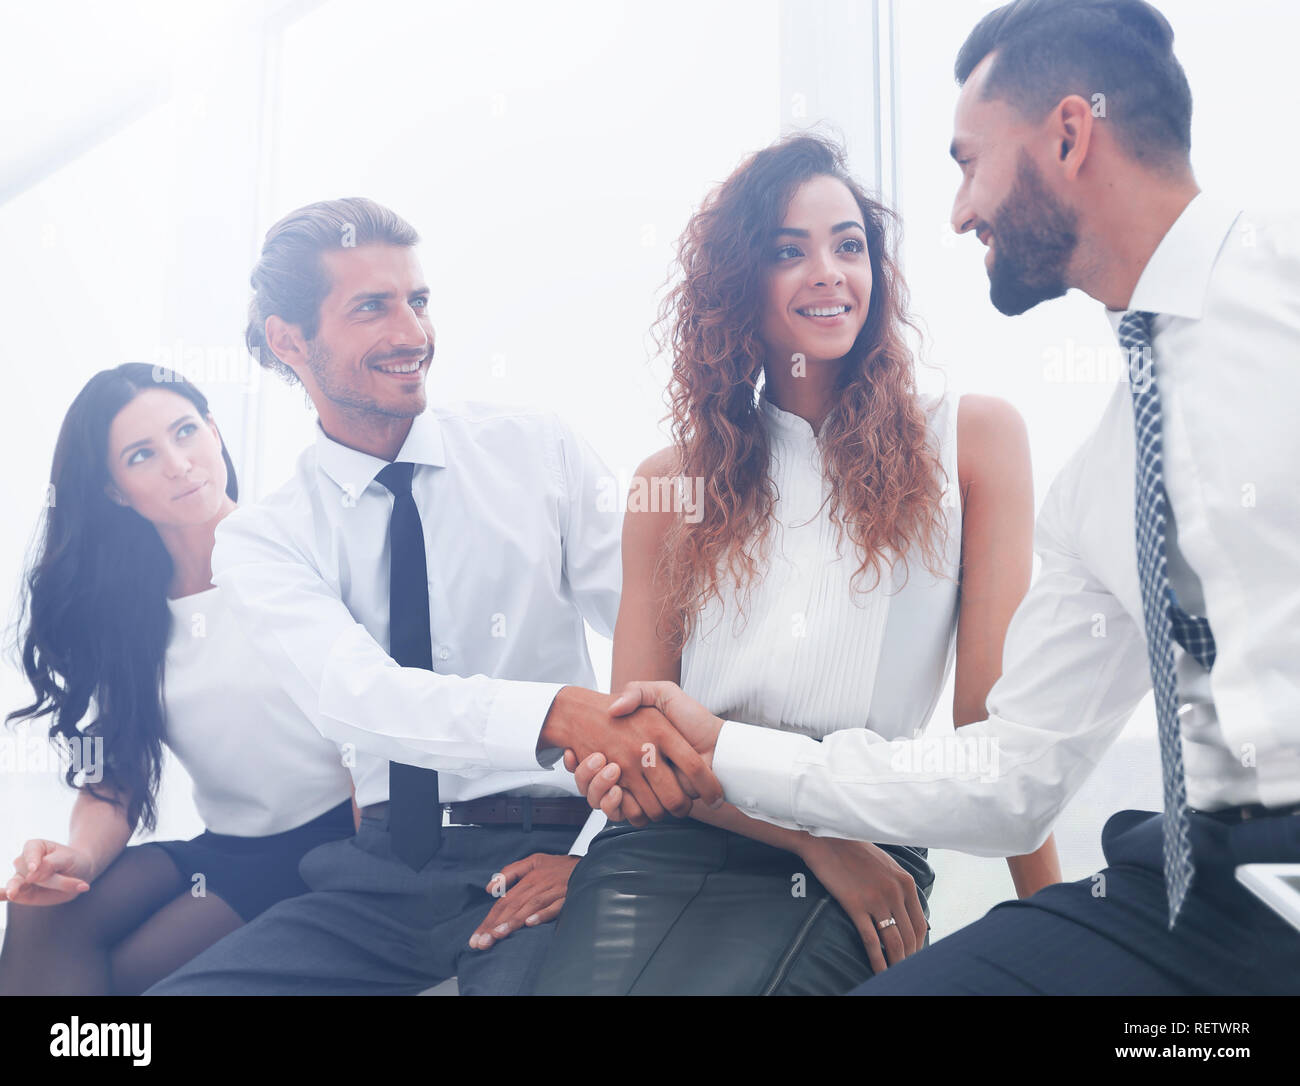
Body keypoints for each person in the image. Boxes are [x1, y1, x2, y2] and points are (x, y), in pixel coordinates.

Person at [573, 0, 1300, 995]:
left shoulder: (1276, 283)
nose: (955, 214)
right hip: (1191, 881)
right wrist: (736, 765)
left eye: (965, 162)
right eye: (787, 249)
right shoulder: (1106, 476)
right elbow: (1011, 768)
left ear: (1069, 136)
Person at [143, 197, 721, 997]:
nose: (412, 334)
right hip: (378, 875)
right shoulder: (264, 537)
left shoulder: (534, 450)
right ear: (289, 340)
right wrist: (555, 712)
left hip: (556, 841)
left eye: (417, 301)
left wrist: (596, 851)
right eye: (371, 307)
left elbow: (664, 649)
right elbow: (357, 695)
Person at [533, 133, 1061, 996]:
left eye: (848, 245)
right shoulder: (669, 485)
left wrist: (1059, 924)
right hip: (686, 841)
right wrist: (818, 843)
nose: (828, 271)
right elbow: (640, 743)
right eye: (789, 251)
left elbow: (987, 728)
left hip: (866, 829)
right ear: (737, 288)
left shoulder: (974, 441)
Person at [0, 365, 357, 995]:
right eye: (143, 455)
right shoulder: (129, 612)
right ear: (114, 491)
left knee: (116, 980)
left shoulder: (305, 553)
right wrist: (75, 857)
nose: (178, 463)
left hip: (330, 845)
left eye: (186, 431)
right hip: (223, 847)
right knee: (42, 906)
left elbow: (382, 718)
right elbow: (117, 774)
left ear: (215, 432)